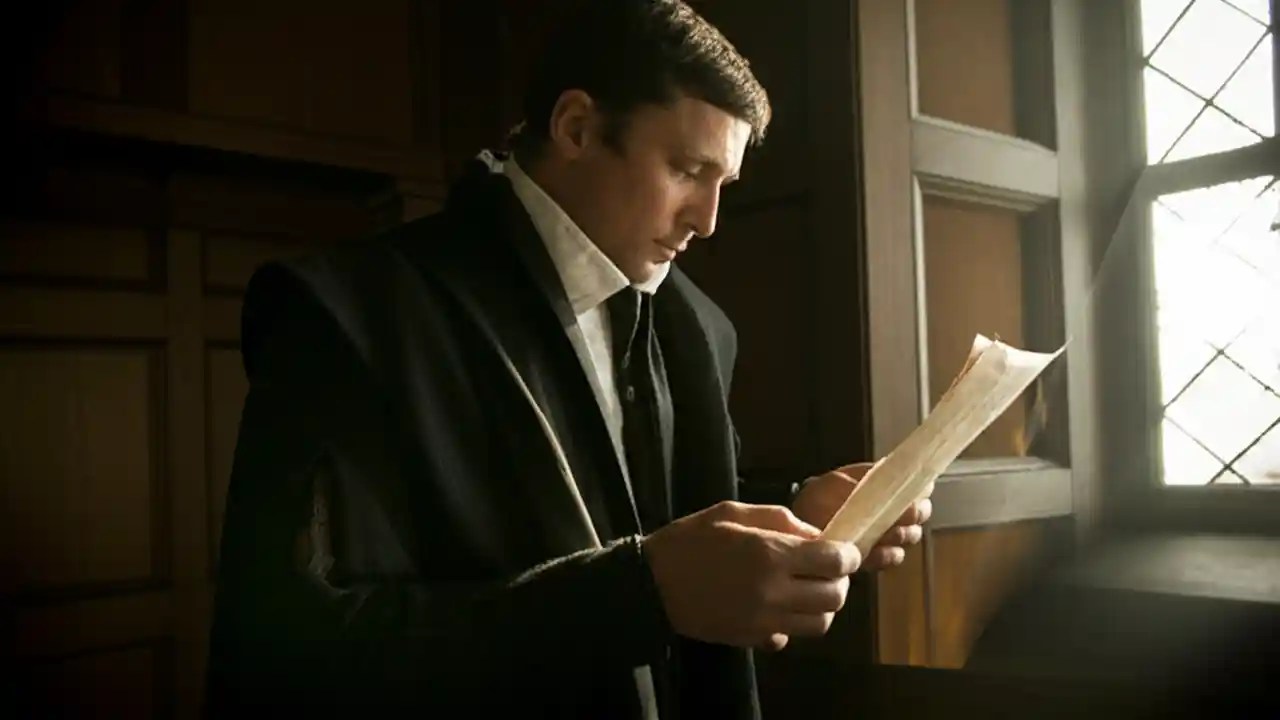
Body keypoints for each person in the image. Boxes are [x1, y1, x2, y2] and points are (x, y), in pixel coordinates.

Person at [204, 0, 932, 717]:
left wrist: (799, 517)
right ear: (576, 126)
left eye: (723, 185)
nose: (707, 221)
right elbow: (286, 656)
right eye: (686, 169)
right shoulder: (344, 314)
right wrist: (638, 595)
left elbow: (665, 515)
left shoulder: (702, 328)